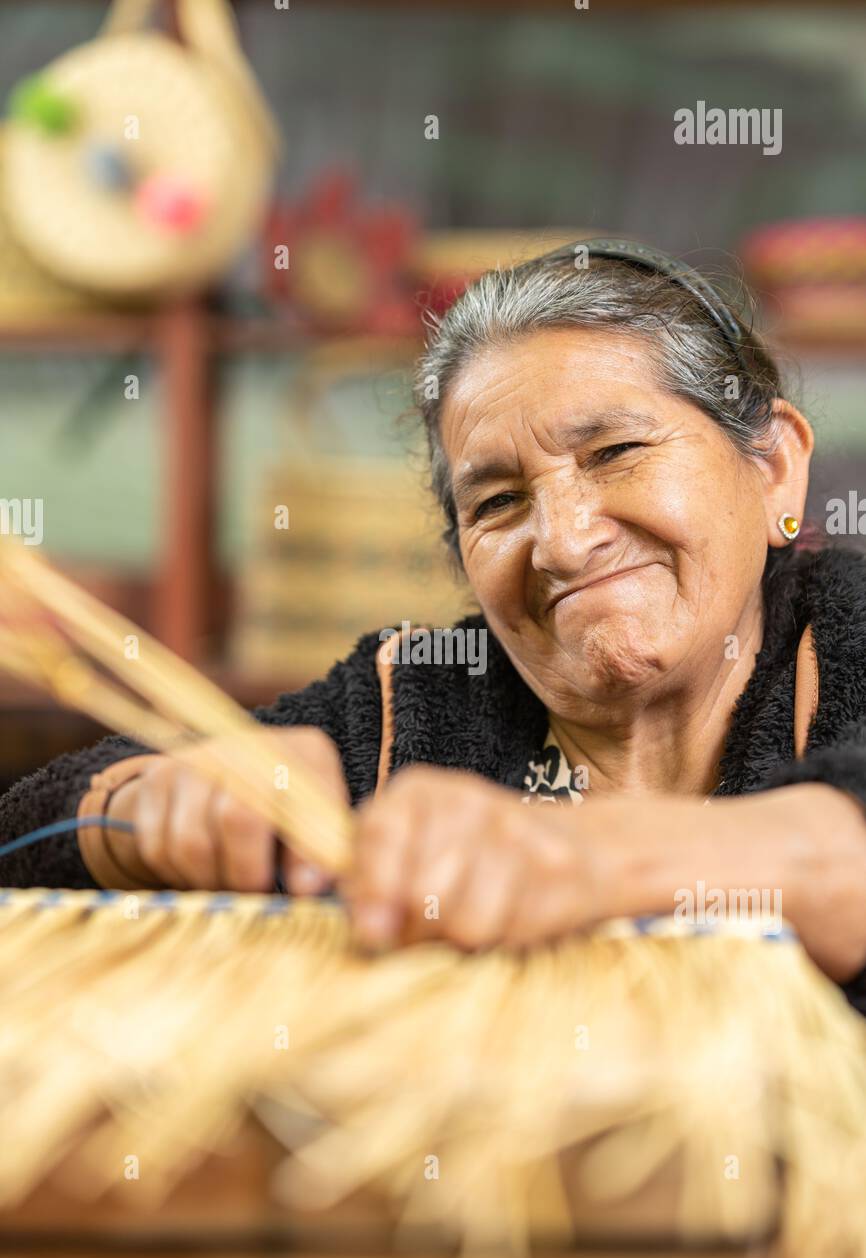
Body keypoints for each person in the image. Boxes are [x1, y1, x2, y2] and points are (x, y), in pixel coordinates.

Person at [2, 239, 866, 1018]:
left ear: (775, 468)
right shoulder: (416, 692)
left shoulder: (845, 629)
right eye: (497, 503)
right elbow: (23, 839)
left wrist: (584, 858)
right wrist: (150, 808)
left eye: (616, 453)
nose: (563, 541)